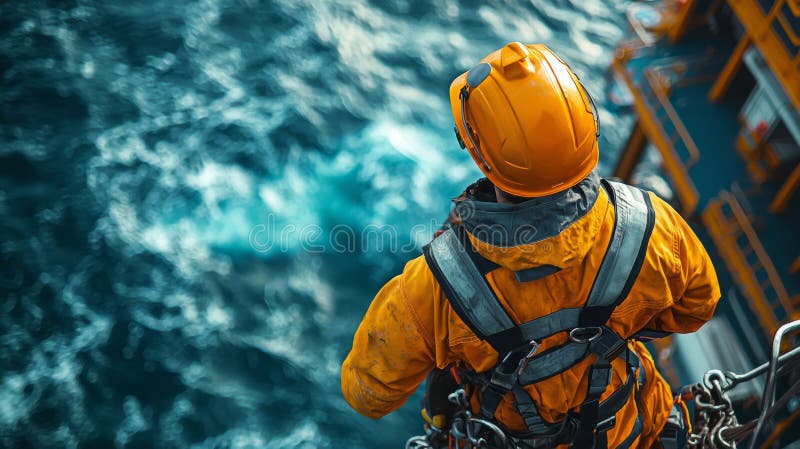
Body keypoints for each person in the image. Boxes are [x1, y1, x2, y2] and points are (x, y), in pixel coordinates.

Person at [341, 42, 720, 449]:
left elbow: (367, 393)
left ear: (481, 155)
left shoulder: (435, 287)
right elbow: (698, 306)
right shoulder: (650, 225)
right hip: (630, 434)